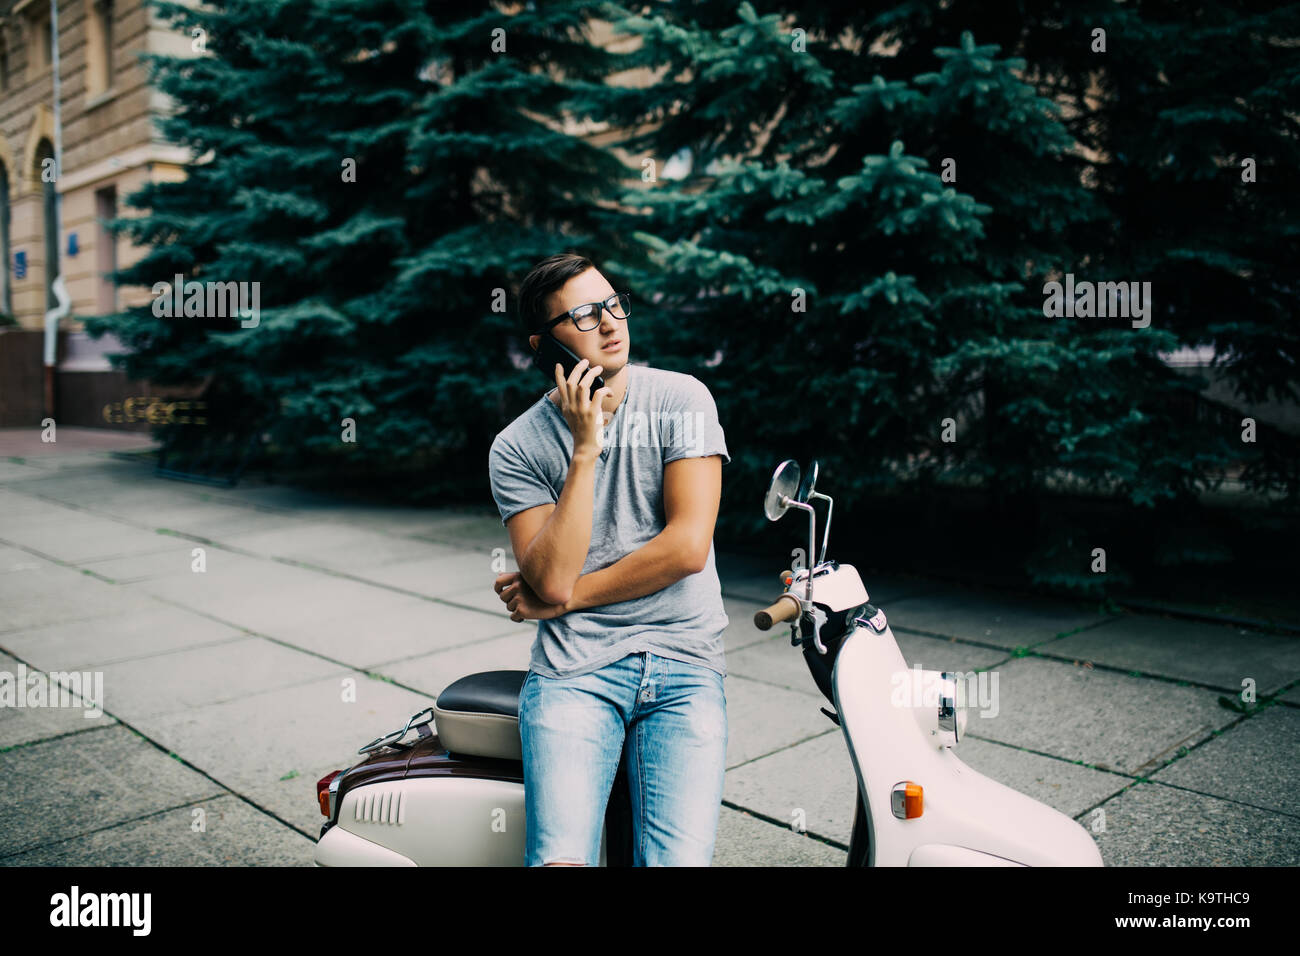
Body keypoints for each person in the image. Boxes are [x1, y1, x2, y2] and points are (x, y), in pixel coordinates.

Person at [487, 252, 730, 866]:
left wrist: (559, 600)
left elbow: (686, 549)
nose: (611, 322)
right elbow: (549, 575)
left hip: (685, 661)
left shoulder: (682, 399)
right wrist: (585, 448)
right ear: (546, 347)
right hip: (575, 672)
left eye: (613, 303)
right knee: (561, 861)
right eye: (585, 315)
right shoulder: (516, 447)